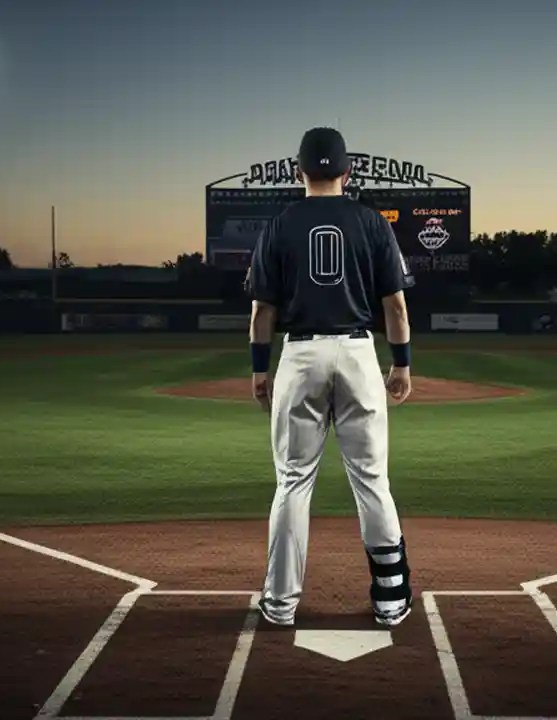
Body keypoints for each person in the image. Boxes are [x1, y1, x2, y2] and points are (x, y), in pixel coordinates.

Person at [245, 127, 416, 627]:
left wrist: (260, 371)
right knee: (372, 481)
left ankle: (280, 605)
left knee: (293, 482)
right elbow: (396, 306)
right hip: (360, 353)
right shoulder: (372, 222)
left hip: (299, 356)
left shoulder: (278, 225)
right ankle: (390, 600)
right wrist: (401, 363)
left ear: (300, 171)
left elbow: (261, 312)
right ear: (347, 171)